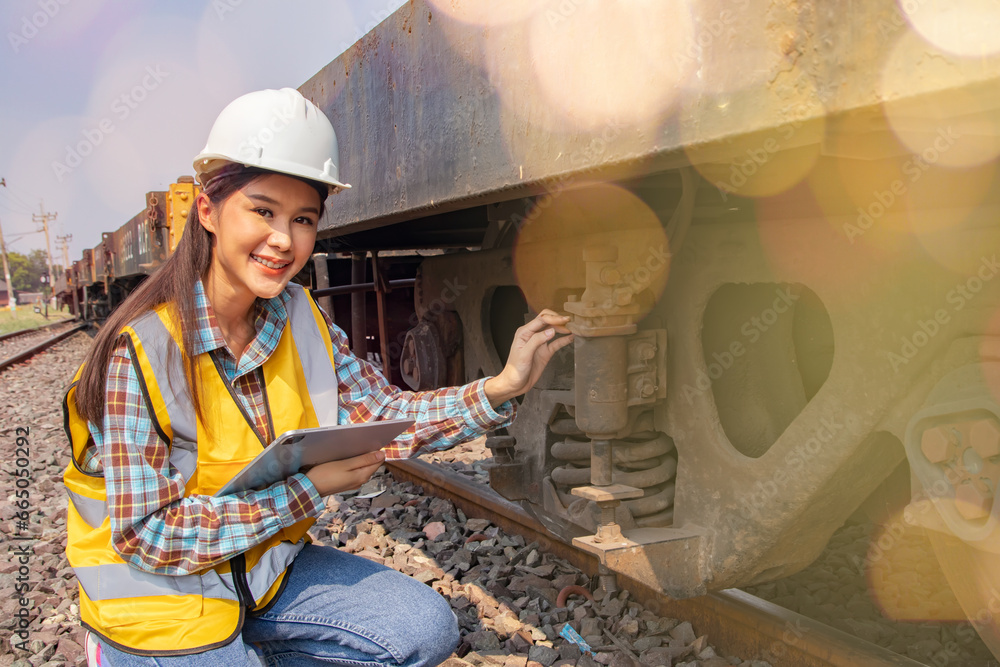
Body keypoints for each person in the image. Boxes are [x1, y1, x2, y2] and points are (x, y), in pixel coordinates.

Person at [62, 88, 573, 667]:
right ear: (207, 211)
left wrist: (501, 387)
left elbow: (384, 418)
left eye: (302, 219)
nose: (284, 240)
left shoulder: (302, 319)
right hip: (159, 603)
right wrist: (310, 488)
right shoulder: (139, 353)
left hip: (256, 572)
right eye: (262, 211)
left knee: (423, 628)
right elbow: (148, 538)